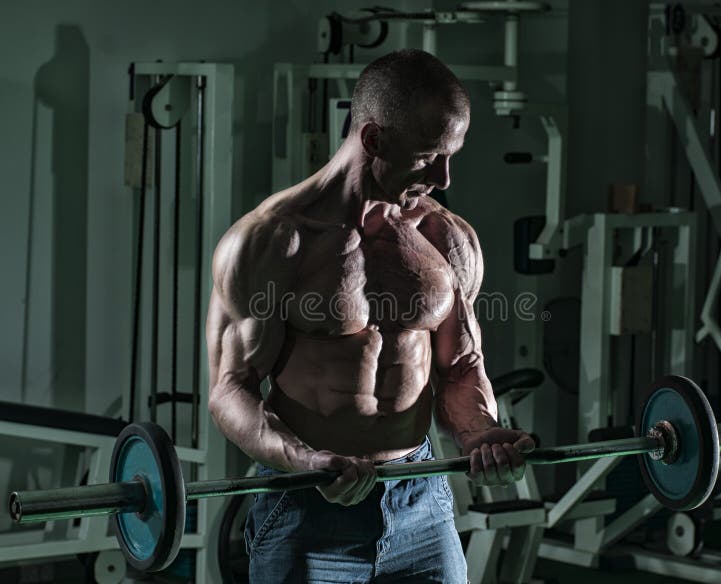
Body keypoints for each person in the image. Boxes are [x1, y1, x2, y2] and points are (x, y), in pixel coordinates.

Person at [206, 48, 536, 583]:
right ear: (374, 139)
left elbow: (461, 367)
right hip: (310, 506)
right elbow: (230, 389)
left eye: (452, 155)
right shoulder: (272, 242)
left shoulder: (446, 238)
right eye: (430, 156)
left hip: (423, 498)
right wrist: (302, 460)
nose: (446, 177)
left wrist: (480, 434)